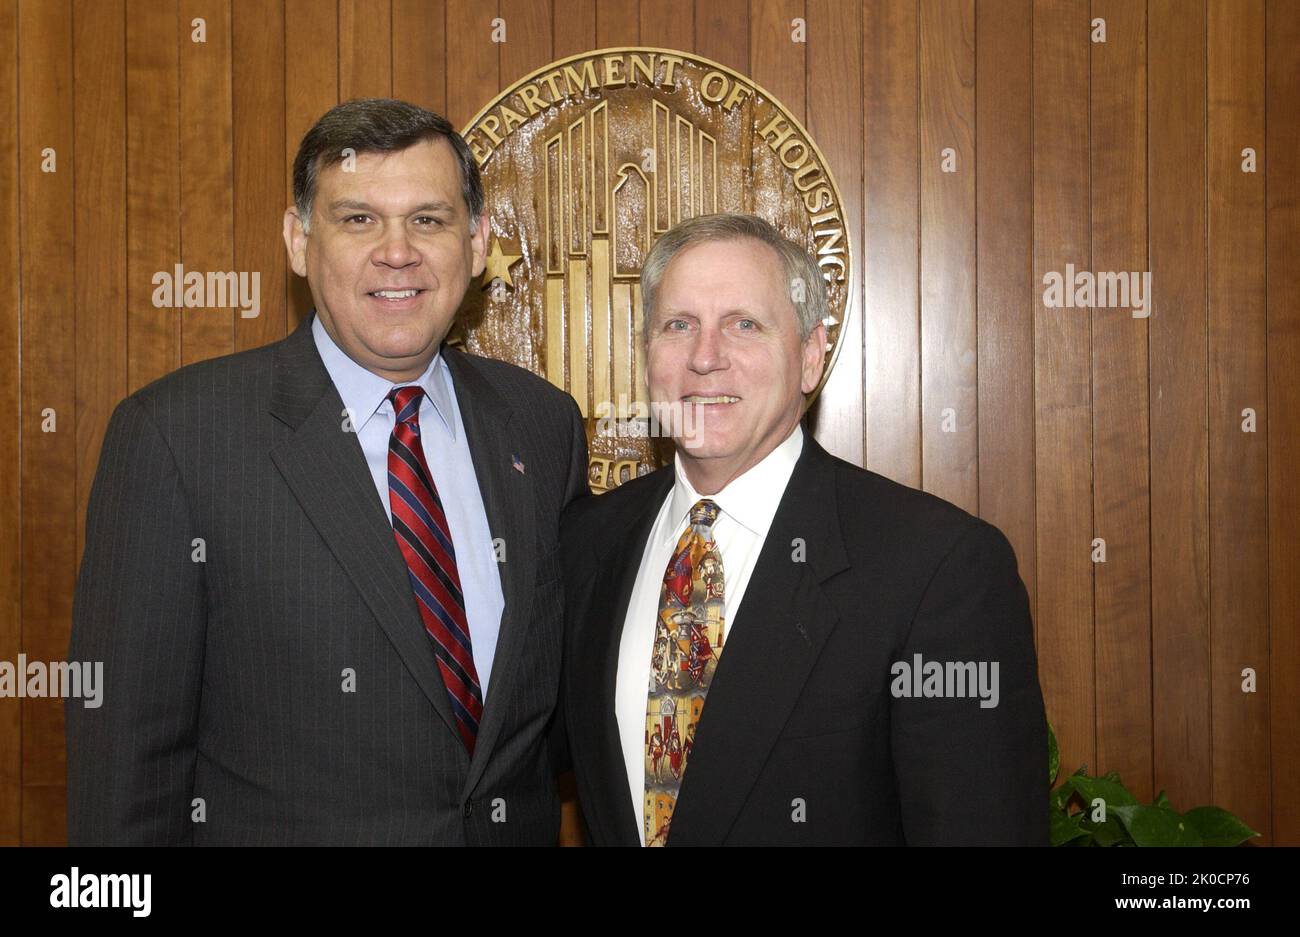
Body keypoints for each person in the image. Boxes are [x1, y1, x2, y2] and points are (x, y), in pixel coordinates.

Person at [66, 98, 588, 845]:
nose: (397, 251)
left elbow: (554, 715)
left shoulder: (542, 425)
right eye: (358, 219)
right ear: (298, 239)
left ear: (475, 244)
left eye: (429, 220)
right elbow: (124, 772)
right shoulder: (179, 437)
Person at [560, 212, 1047, 845]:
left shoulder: (937, 567)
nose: (706, 358)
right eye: (678, 325)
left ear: (811, 356)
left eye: (744, 325)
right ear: (647, 355)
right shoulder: (588, 545)